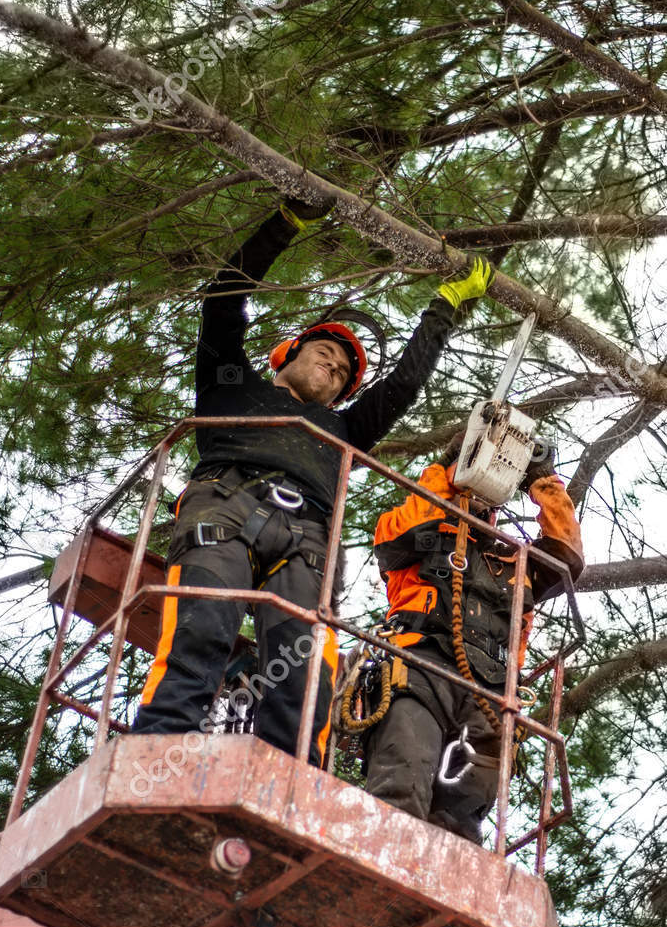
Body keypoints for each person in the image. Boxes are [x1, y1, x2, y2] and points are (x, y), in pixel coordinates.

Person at [132, 195, 492, 766]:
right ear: (286, 355)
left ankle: (290, 780)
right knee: (200, 630)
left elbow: (402, 385)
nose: (335, 366)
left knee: (304, 671)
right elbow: (224, 300)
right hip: (223, 507)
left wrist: (444, 307)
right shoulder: (230, 386)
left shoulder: (345, 428)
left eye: (344, 372)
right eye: (326, 352)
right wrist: (285, 222)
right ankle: (151, 757)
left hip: (305, 538)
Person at [363, 437, 584, 841]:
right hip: (419, 672)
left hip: (491, 696)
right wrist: (445, 467)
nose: (479, 500)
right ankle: (380, 869)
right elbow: (411, 525)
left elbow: (567, 555)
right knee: (402, 781)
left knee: (464, 820)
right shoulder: (419, 535)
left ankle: (437, 897)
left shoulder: (516, 563)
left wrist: (543, 480)